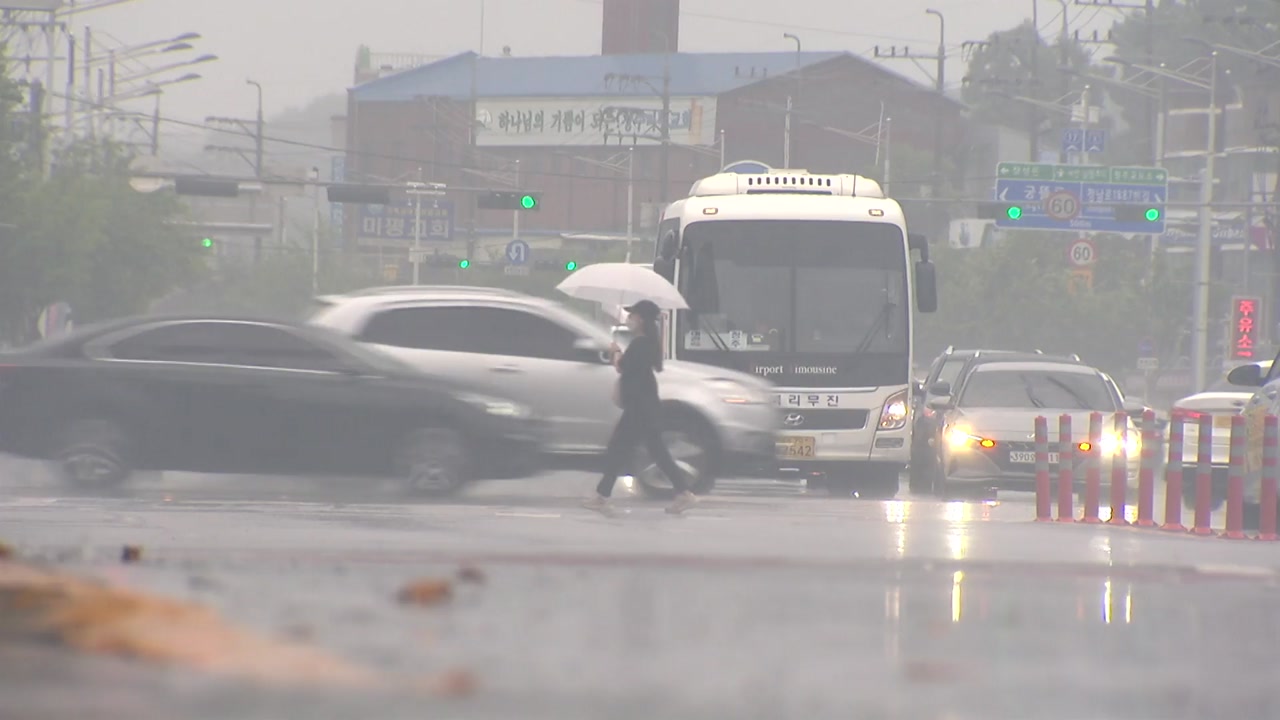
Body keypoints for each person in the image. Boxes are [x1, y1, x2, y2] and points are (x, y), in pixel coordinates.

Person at [583, 299, 698, 516]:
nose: (629, 319)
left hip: (639, 407)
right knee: (655, 451)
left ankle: (601, 497)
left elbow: (623, 368)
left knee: (619, 448)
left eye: (632, 315)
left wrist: (615, 353)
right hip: (645, 406)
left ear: (642, 319)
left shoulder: (641, 344)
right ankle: (684, 493)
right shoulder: (648, 343)